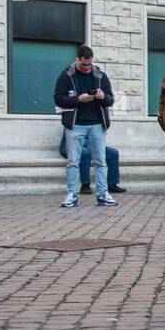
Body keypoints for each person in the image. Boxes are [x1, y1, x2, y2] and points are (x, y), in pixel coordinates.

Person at [55, 45, 117, 208]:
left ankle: (103, 194)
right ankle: (71, 195)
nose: (87, 68)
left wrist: (103, 97)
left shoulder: (100, 75)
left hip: (97, 124)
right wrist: (78, 99)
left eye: (89, 65)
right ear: (77, 60)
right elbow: (58, 99)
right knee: (73, 161)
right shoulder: (66, 75)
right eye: (84, 65)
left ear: (92, 60)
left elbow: (111, 100)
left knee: (101, 161)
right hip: (75, 125)